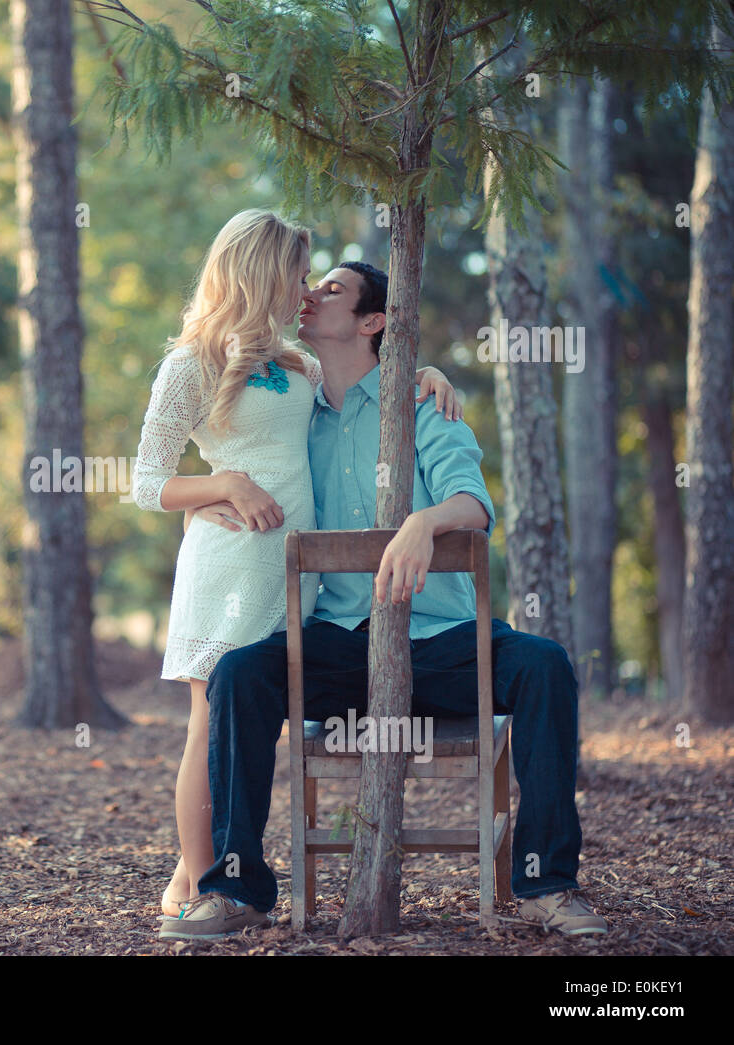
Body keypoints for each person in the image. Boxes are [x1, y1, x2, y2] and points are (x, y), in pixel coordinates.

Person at [158, 259, 609, 941]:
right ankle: (234, 888)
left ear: (373, 321)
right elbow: (239, 449)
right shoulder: (297, 412)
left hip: (439, 644)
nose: (310, 294)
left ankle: (548, 883)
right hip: (336, 647)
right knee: (238, 674)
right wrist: (218, 493)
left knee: (544, 665)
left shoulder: (421, 405)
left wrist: (425, 522)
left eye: (333, 289)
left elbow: (475, 504)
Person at [131, 212, 462, 919]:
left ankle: (204, 875)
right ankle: (198, 879)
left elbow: (363, 384)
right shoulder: (191, 362)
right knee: (207, 722)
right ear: (261, 272)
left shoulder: (297, 363)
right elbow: (145, 482)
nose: (306, 290)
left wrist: (422, 369)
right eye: (299, 273)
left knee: (248, 716)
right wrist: (225, 484)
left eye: (314, 278)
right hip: (228, 564)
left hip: (296, 575)